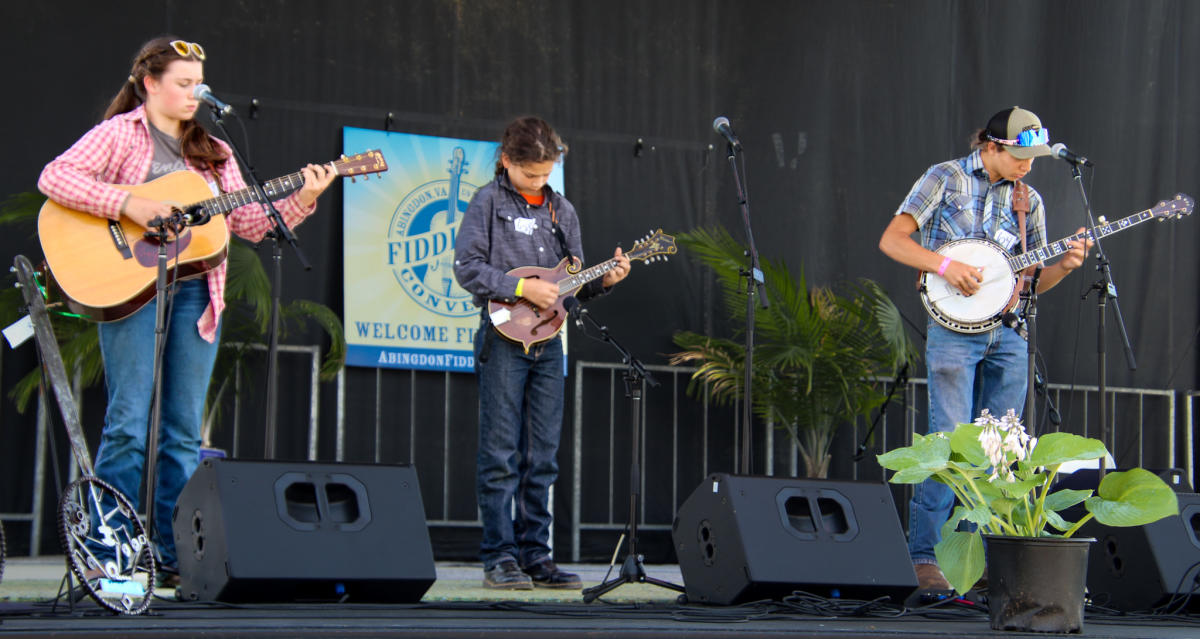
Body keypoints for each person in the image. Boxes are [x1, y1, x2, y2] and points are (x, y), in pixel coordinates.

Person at [37, 36, 336, 587]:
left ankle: (173, 556)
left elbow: (247, 224)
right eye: (182, 83)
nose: (194, 93)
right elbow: (54, 177)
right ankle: (112, 549)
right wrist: (131, 202)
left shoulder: (216, 151)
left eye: (199, 84)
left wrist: (304, 196)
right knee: (128, 420)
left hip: (198, 294)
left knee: (180, 431)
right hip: (131, 286)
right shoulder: (120, 134)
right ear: (149, 84)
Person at [878, 106, 1091, 590]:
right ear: (991, 147)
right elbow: (893, 240)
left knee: (1001, 450)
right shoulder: (944, 178)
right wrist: (944, 266)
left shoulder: (1027, 199)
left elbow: (1031, 280)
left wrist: (1066, 265)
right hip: (953, 329)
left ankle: (982, 560)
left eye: (1034, 158)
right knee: (950, 443)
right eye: (1020, 155)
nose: (1028, 166)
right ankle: (926, 557)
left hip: (1010, 331)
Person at [453, 116, 631, 589]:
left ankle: (537, 556)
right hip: (502, 340)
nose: (540, 181)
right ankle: (499, 557)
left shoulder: (563, 211)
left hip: (550, 344)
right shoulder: (487, 202)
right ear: (507, 161)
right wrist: (521, 286)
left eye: (546, 173)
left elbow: (569, 288)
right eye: (531, 174)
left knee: (543, 456)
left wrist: (604, 282)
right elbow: (467, 267)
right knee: (499, 452)